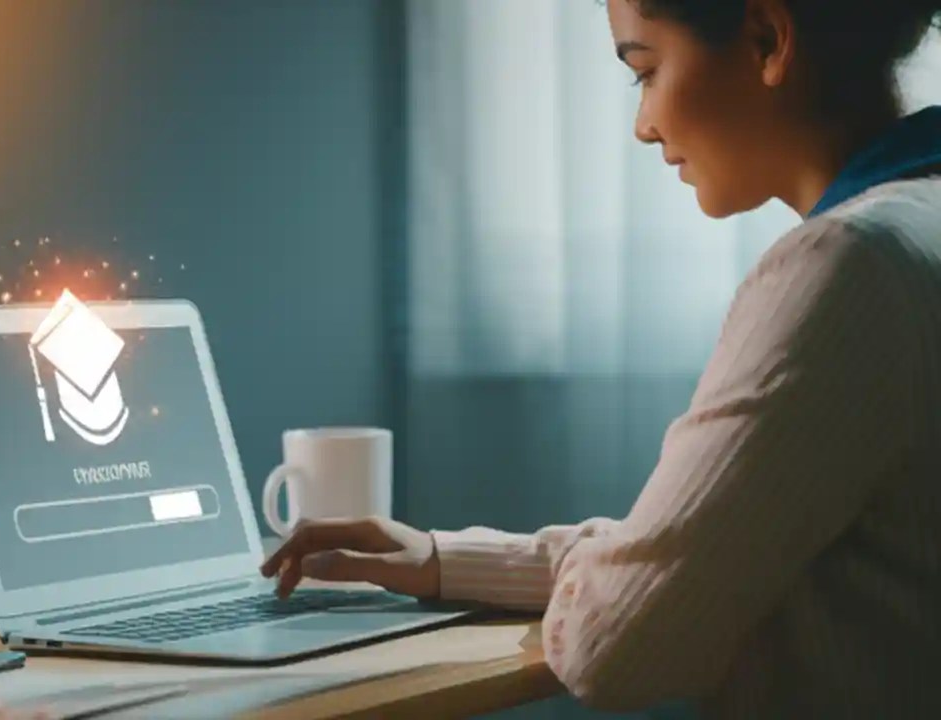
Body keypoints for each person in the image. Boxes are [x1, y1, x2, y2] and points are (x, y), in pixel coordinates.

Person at [261, 0, 941, 717]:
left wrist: (625, 578)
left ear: (767, 40)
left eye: (644, 72)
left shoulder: (841, 266)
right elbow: (699, 560)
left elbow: (618, 645)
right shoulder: (916, 227)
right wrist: (441, 561)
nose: (643, 125)